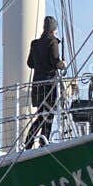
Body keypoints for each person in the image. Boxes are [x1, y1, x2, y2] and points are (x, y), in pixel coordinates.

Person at [25, 16, 63, 147]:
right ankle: (43, 142)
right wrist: (61, 64)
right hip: (49, 84)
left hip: (37, 85)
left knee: (41, 114)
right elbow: (54, 61)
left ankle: (29, 141)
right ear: (54, 29)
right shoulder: (52, 41)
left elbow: (30, 63)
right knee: (49, 114)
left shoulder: (35, 44)